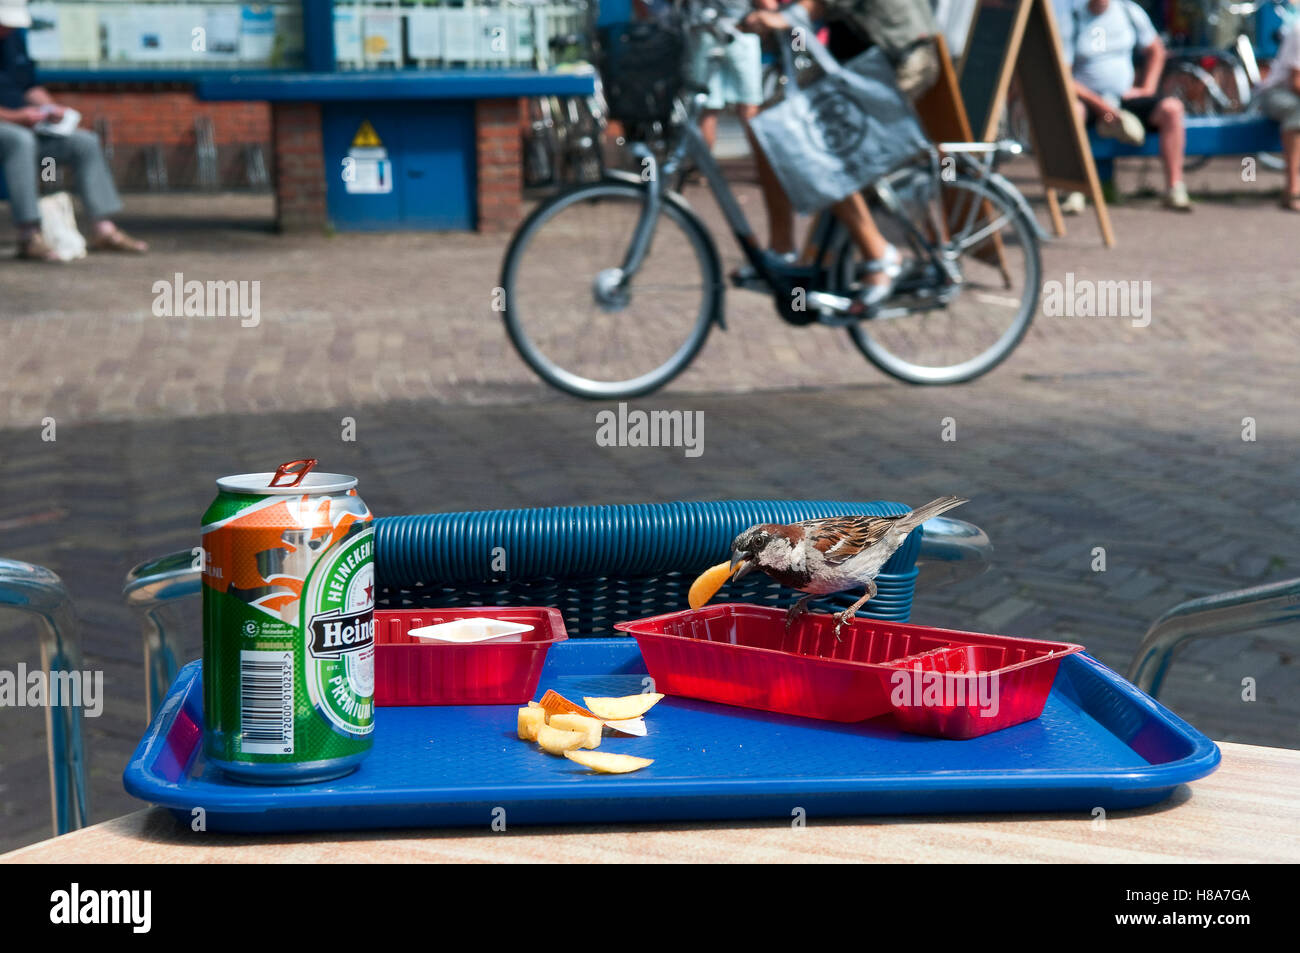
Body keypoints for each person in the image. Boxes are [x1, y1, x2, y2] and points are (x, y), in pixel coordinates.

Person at [741, 0, 939, 307]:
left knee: (819, 143)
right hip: (855, 52)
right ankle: (781, 251)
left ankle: (881, 255)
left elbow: (817, 5)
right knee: (773, 124)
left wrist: (784, 17)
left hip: (898, 51)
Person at [0, 0, 146, 260]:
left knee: (84, 141)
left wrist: (52, 110)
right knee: (21, 141)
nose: (8, 28)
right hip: (12, 129)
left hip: (26, 124)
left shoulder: (13, 40)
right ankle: (29, 234)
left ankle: (104, 229)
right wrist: (16, 117)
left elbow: (28, 86)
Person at [1064, 0, 1191, 213]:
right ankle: (1075, 189)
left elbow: (1156, 50)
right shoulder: (1071, 18)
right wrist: (1100, 106)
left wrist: (1147, 88)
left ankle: (1175, 188)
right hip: (1087, 100)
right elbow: (1063, 74)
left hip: (1126, 98)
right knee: (1073, 112)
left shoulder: (1129, 11)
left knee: (1172, 108)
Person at [1255, 14, 1300, 211]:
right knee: (1297, 111)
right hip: (1275, 93)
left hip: (1291, 92)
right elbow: (1296, 83)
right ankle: (1292, 190)